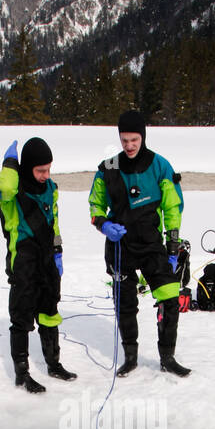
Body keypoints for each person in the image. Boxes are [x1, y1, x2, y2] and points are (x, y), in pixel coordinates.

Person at [89, 111, 189, 377]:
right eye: (124, 140)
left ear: (143, 137)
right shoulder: (108, 168)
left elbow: (172, 207)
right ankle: (130, 357)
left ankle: (167, 358)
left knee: (169, 296)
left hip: (151, 244)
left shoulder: (160, 166)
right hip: (120, 245)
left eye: (134, 140)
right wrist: (103, 225)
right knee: (125, 303)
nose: (129, 146)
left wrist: (173, 245)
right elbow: (95, 204)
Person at [0, 137, 76, 393]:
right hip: (24, 260)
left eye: (48, 169)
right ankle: (22, 373)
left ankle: (53, 363)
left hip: (48, 259)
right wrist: (10, 163)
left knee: (50, 311)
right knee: (22, 316)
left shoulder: (50, 188)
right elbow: (3, 187)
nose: (45, 175)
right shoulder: (12, 193)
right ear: (26, 168)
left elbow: (55, 221)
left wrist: (58, 249)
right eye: (40, 170)